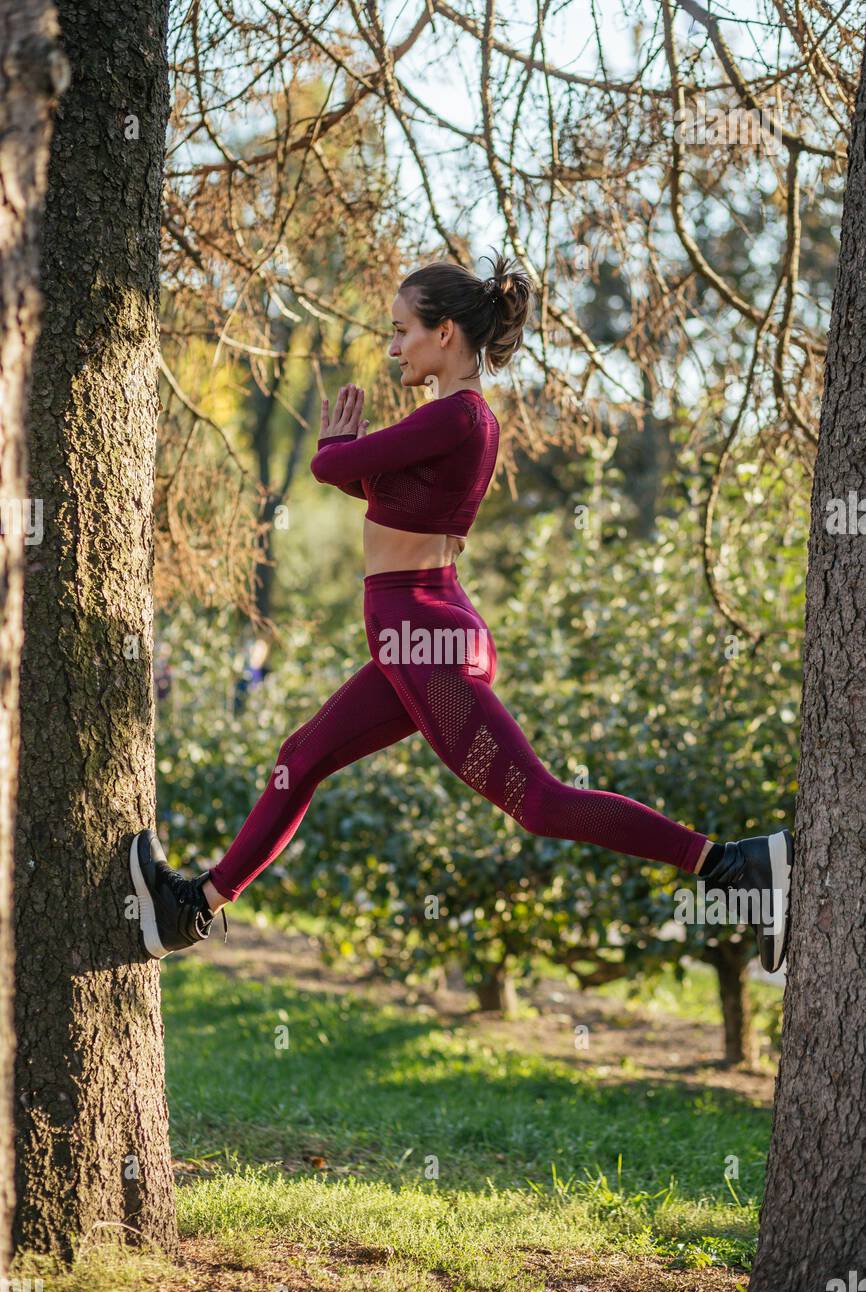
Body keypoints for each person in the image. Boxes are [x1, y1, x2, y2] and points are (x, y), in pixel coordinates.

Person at [130, 252, 794, 972]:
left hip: (424, 639)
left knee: (539, 802)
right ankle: (191, 908)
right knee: (303, 757)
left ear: (444, 333)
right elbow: (377, 492)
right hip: (418, 637)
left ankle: (733, 864)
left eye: (401, 330)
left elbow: (330, 470)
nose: (392, 348)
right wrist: (346, 457)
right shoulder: (456, 423)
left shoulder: (457, 414)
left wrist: (335, 447)